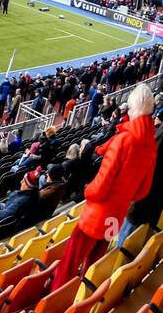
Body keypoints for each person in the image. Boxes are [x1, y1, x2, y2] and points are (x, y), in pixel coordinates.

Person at [54, 83, 158, 287]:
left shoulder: (124, 140)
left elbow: (100, 186)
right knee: (96, 262)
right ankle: (80, 300)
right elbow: (142, 191)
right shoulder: (151, 145)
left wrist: (86, 190)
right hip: (116, 216)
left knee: (70, 262)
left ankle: (54, 301)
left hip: (97, 214)